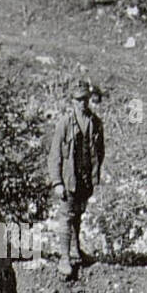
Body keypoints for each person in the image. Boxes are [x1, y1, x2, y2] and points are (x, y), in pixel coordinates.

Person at [47, 80, 104, 279]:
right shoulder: (64, 123)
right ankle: (64, 257)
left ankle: (77, 250)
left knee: (78, 215)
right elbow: (54, 155)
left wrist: (95, 176)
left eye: (85, 99)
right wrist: (57, 182)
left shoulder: (95, 123)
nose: (83, 103)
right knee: (66, 216)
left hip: (85, 179)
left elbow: (100, 152)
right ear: (72, 100)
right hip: (68, 179)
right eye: (79, 99)